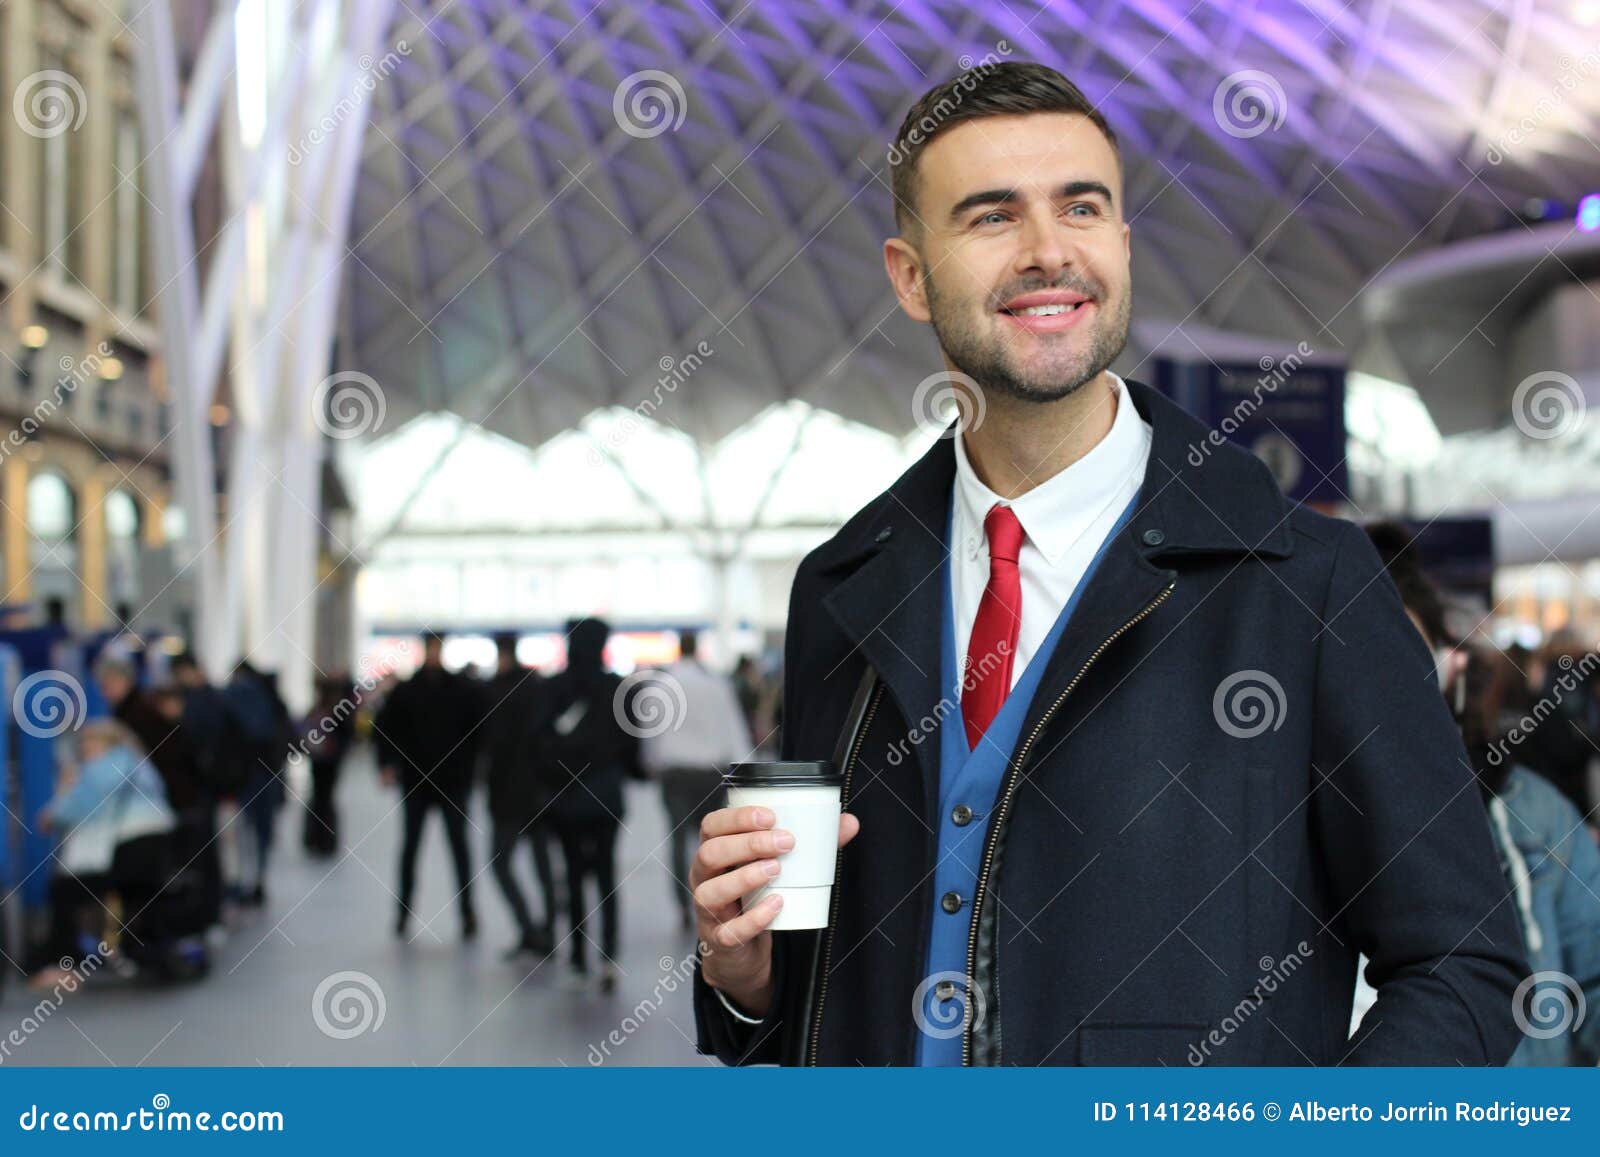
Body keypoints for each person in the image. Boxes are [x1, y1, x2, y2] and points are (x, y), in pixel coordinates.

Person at [690, 61, 1526, 1066]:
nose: (1049, 252)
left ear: (1121, 244)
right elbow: (830, 994)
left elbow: (1461, 963)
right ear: (910, 275)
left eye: (1080, 208)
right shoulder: (843, 587)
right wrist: (746, 984)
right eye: (992, 216)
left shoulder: (1306, 585)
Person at [1365, 523, 1600, 1065]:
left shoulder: (1529, 814)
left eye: (1399, 661)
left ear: (1454, 666)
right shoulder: (1268, 814)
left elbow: (1590, 987)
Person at [532, 618, 639, 991]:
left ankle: (578, 954)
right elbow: (633, 746)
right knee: (607, 875)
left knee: (574, 874)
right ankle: (609, 955)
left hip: (566, 798)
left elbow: (536, 741)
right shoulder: (618, 689)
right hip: (607, 795)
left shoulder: (553, 687)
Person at [33, 719, 177, 983]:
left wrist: (50, 813)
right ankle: (151, 958)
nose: (83, 748)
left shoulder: (103, 765)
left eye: (88, 741)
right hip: (156, 846)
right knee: (140, 898)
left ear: (105, 742)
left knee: (64, 890)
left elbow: (82, 803)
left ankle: (63, 964)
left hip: (130, 847)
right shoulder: (138, 761)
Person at [373, 631, 482, 940]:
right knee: (410, 849)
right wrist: (385, 765)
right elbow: (385, 729)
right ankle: (403, 912)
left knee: (459, 849)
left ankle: (467, 913)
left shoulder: (461, 690)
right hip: (416, 783)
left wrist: (470, 770)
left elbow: (477, 732)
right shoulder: (408, 691)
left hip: (452, 783)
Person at [639, 630, 752, 929]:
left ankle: (682, 906)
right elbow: (734, 730)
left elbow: (651, 733)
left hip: (676, 774)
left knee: (678, 839)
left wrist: (651, 765)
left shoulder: (662, 686)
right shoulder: (716, 685)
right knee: (712, 841)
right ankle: (715, 899)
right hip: (710, 774)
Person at [481, 632, 558, 959]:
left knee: (503, 864)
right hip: (535, 793)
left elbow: (492, 746)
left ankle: (532, 930)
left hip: (510, 796)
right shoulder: (536, 689)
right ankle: (544, 931)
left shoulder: (497, 693)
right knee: (542, 867)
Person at [298, 674, 357, 857]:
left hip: (324, 761)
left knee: (320, 798)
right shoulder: (333, 711)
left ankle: (319, 839)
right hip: (325, 761)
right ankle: (322, 840)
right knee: (324, 798)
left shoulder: (322, 710)